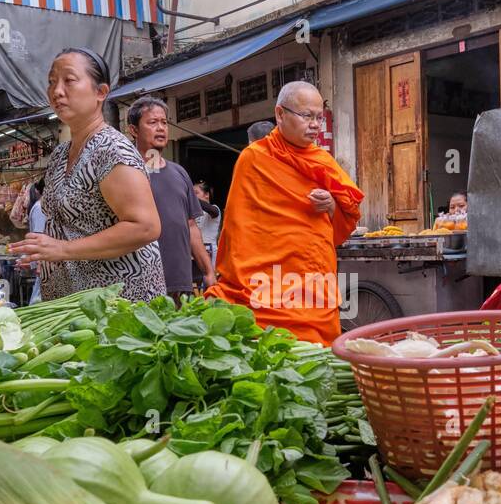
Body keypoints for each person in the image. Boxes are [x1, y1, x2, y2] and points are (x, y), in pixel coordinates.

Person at [205, 81, 364, 344]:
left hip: (310, 278)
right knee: (268, 354)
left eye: (318, 117)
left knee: (313, 350)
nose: (315, 124)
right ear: (280, 114)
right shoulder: (254, 158)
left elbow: (347, 216)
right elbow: (239, 225)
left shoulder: (322, 162)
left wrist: (331, 205)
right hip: (263, 281)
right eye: (307, 116)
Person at [9, 47, 164, 303]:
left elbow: (145, 227)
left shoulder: (112, 149)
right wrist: (44, 250)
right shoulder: (60, 154)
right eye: (51, 82)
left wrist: (63, 249)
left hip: (118, 307)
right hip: (75, 305)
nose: (57, 91)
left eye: (69, 80)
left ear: (100, 92)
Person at [126, 96, 216, 303]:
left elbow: (191, 226)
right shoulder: (127, 172)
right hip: (141, 283)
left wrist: (208, 271)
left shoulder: (179, 172)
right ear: (133, 130)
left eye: (164, 122)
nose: (160, 128)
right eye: (152, 122)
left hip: (180, 282)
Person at [193, 179, 221, 273]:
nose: (193, 196)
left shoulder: (214, 209)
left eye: (196, 193)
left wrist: (191, 198)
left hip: (209, 249)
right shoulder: (194, 213)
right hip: (196, 249)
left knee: (208, 279)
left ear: (207, 195)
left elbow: (213, 211)